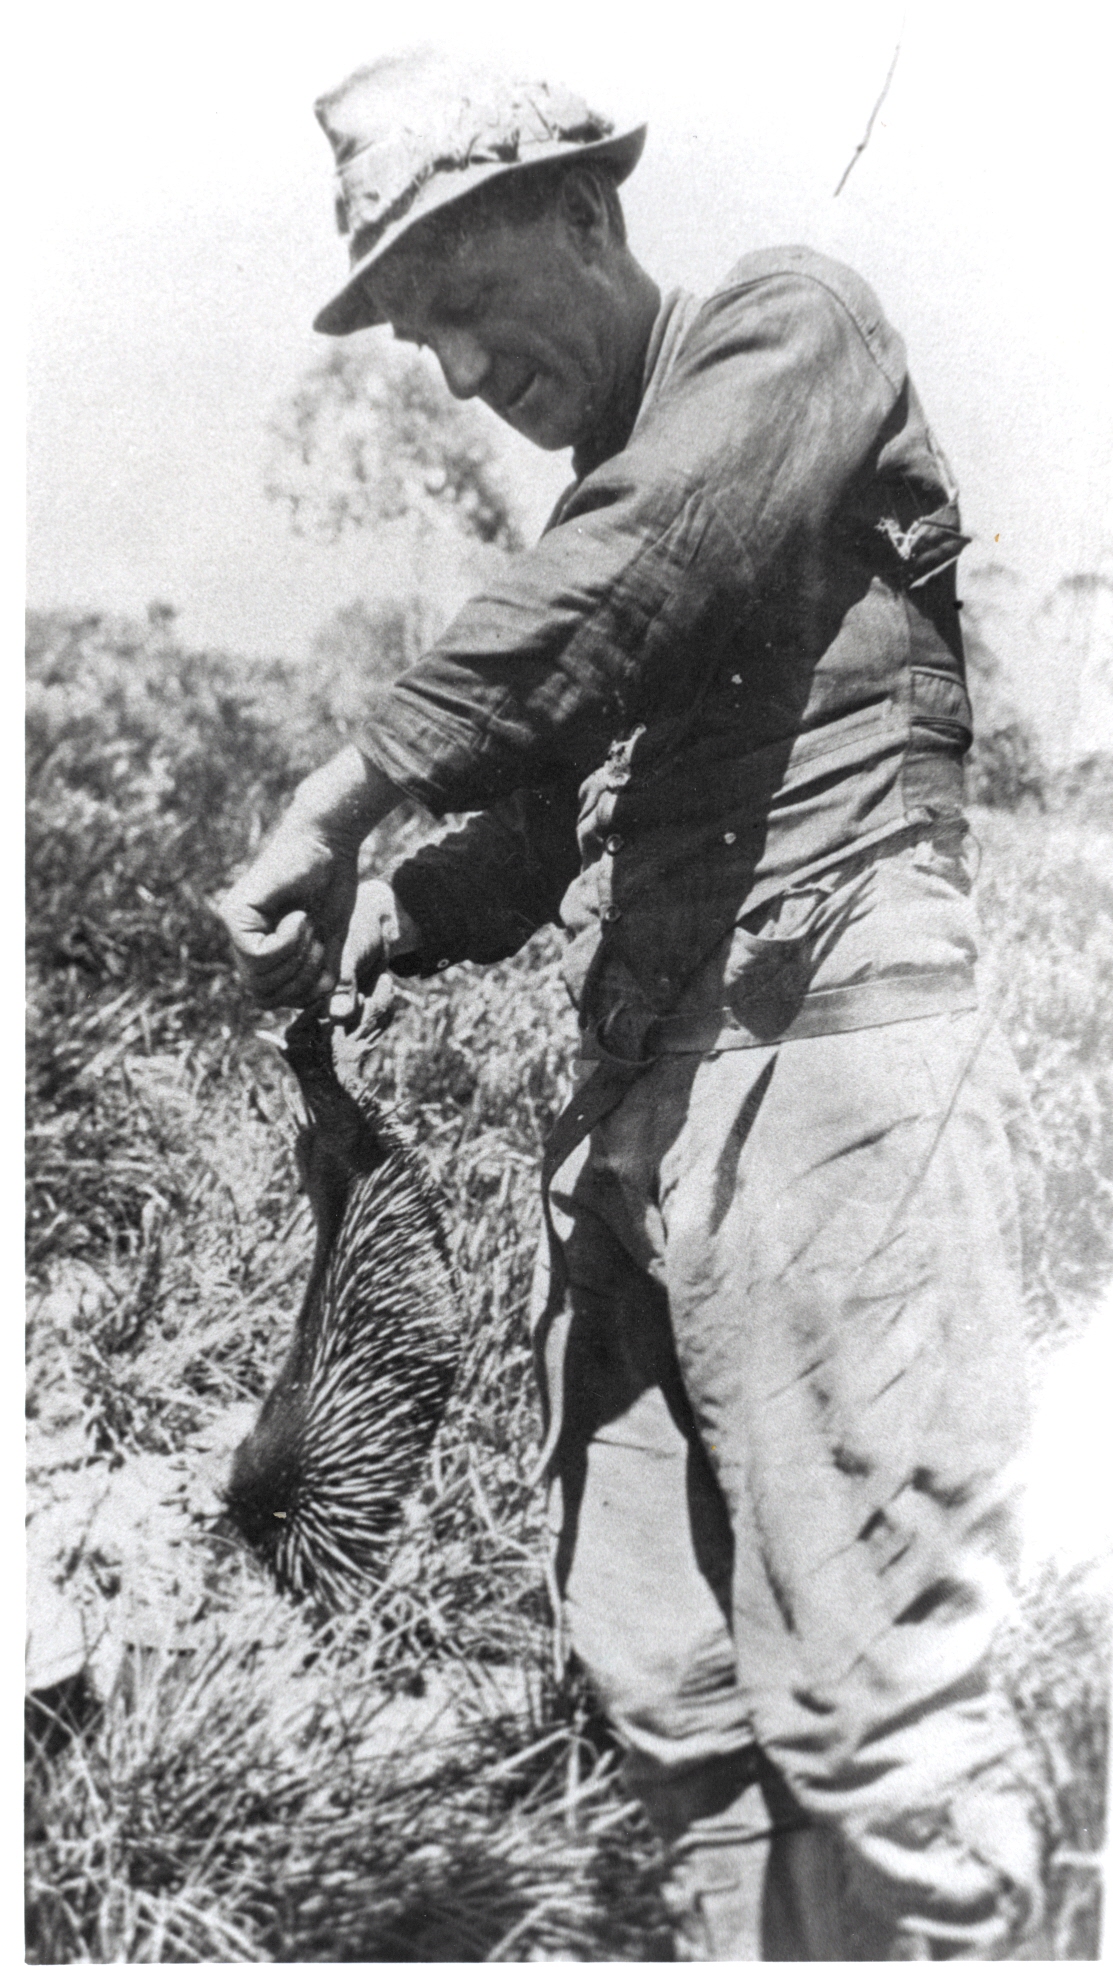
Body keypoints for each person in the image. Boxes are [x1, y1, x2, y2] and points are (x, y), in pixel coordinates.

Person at [220, 49, 1045, 1959]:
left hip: (836, 1086)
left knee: (879, 1714)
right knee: (669, 1693)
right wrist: (383, 917)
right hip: (642, 1129)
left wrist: (340, 796)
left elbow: (634, 577)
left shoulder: (785, 336)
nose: (456, 374)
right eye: (420, 338)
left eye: (471, 307)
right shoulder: (611, 512)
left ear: (587, 217)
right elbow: (543, 812)